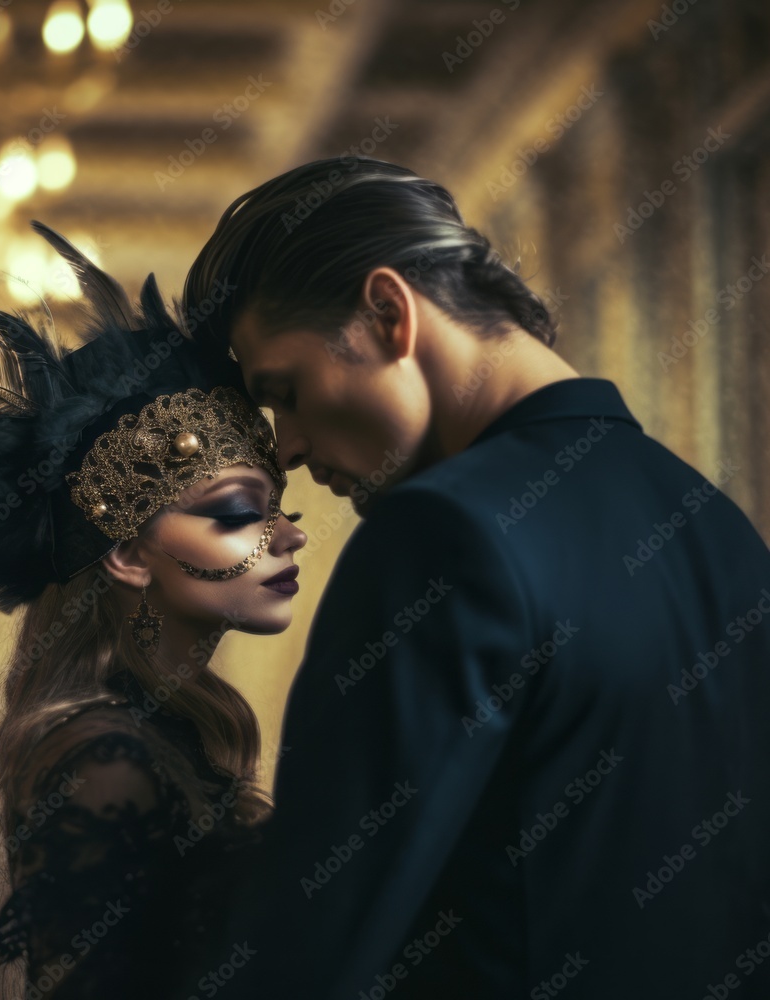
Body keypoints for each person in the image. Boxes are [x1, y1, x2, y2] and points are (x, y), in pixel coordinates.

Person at [176, 155, 770, 998]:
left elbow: (311, 945)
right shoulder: (721, 529)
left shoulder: (441, 535)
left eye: (287, 392)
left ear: (389, 312)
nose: (290, 449)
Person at [0, 222, 307, 1000]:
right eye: (234, 513)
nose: (287, 533)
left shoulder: (166, 734)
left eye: (276, 508)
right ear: (125, 555)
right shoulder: (106, 758)